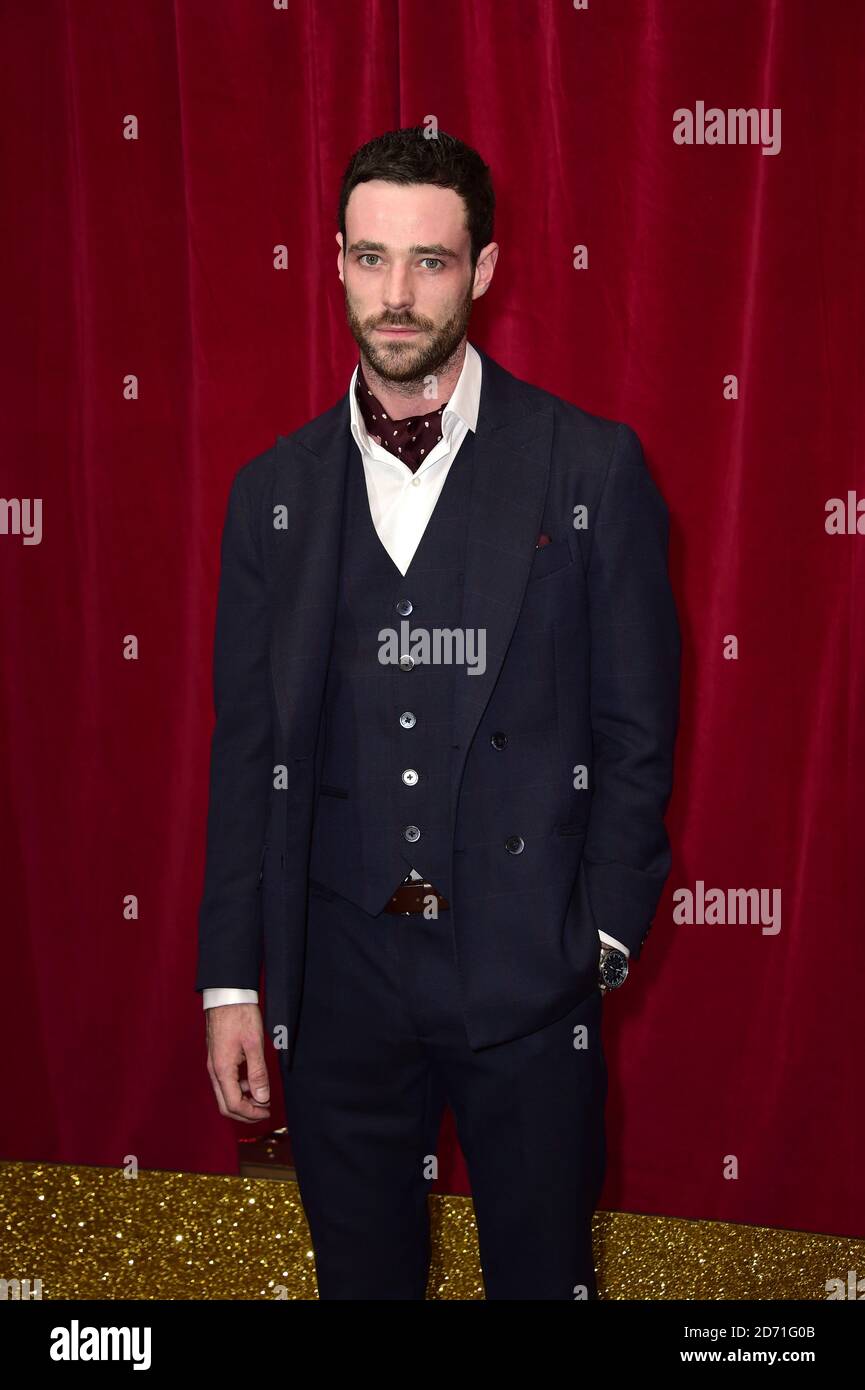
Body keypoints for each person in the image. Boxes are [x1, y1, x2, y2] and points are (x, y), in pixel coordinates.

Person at [196, 126, 681, 1300]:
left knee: (542, 1279)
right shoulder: (272, 494)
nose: (396, 294)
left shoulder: (590, 468)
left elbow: (636, 727)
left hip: (527, 981)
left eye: (429, 261)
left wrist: (601, 938)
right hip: (339, 981)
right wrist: (231, 983)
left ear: (486, 268)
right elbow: (246, 750)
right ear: (336, 263)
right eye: (370, 259)